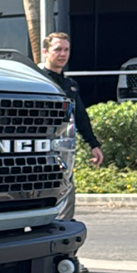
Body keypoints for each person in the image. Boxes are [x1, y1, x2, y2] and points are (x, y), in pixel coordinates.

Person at [38, 32, 101, 225]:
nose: (63, 54)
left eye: (66, 50)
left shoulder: (70, 85)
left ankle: (62, 249)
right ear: (45, 52)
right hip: (39, 152)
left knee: (65, 199)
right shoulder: (36, 81)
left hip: (62, 152)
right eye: (57, 49)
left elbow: (80, 117)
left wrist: (94, 145)